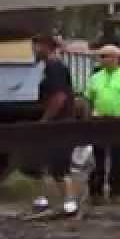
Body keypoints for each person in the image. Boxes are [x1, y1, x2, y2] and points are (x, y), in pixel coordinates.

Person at [22, 34, 84, 218]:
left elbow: (60, 97)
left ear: (44, 46)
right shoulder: (49, 67)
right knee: (43, 162)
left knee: (59, 165)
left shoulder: (55, 67)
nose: (33, 51)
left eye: (35, 47)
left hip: (60, 123)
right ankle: (46, 199)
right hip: (57, 122)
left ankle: (70, 203)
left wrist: (46, 120)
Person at [84, 45, 120, 201]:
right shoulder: (95, 77)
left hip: (119, 120)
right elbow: (89, 98)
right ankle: (96, 191)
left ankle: (116, 191)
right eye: (101, 57)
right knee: (98, 158)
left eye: (106, 56)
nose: (103, 60)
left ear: (116, 58)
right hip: (99, 121)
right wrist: (89, 116)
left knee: (118, 158)